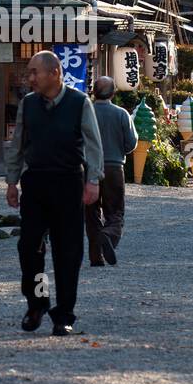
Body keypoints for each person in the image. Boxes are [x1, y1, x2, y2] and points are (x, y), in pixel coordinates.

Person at [4, 51, 103, 336]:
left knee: (68, 250)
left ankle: (65, 313)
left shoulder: (78, 102)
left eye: (35, 72)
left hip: (68, 180)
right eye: (29, 73)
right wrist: (12, 182)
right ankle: (38, 301)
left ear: (55, 73)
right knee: (29, 247)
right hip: (35, 181)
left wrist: (93, 180)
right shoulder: (28, 104)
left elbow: (93, 144)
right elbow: (18, 144)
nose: (30, 78)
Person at [86, 76, 137, 266]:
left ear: (94, 92)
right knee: (115, 212)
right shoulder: (121, 114)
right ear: (113, 93)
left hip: (88, 167)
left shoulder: (85, 112)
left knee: (91, 213)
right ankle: (108, 234)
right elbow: (131, 143)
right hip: (114, 167)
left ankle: (95, 256)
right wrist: (119, 150)